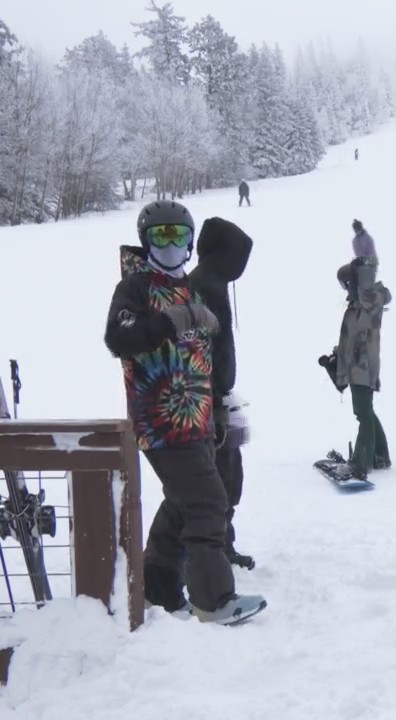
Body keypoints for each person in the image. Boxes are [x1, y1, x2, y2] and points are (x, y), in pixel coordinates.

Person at [104, 200, 266, 625]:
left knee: (183, 501)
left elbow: (203, 359)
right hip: (161, 419)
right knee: (209, 502)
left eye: (179, 235)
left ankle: (157, 585)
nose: (171, 244)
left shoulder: (191, 289)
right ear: (146, 240)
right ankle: (213, 601)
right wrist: (171, 320)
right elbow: (118, 339)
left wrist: (213, 412)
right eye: (161, 236)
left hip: (196, 416)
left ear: (191, 242)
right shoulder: (137, 288)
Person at [187, 217, 255, 570]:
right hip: (207, 398)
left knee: (228, 475)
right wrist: (212, 396)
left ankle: (222, 546)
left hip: (218, 396)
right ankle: (207, 554)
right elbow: (202, 348)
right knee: (217, 481)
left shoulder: (214, 281)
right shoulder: (204, 285)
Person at [331, 255, 393, 479]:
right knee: (366, 411)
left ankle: (361, 461)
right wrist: (337, 357)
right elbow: (352, 337)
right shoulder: (356, 306)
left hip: (364, 366)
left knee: (363, 413)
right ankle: (380, 455)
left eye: (347, 283)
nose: (345, 288)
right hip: (356, 365)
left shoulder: (371, 300)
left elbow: (367, 292)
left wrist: (364, 272)